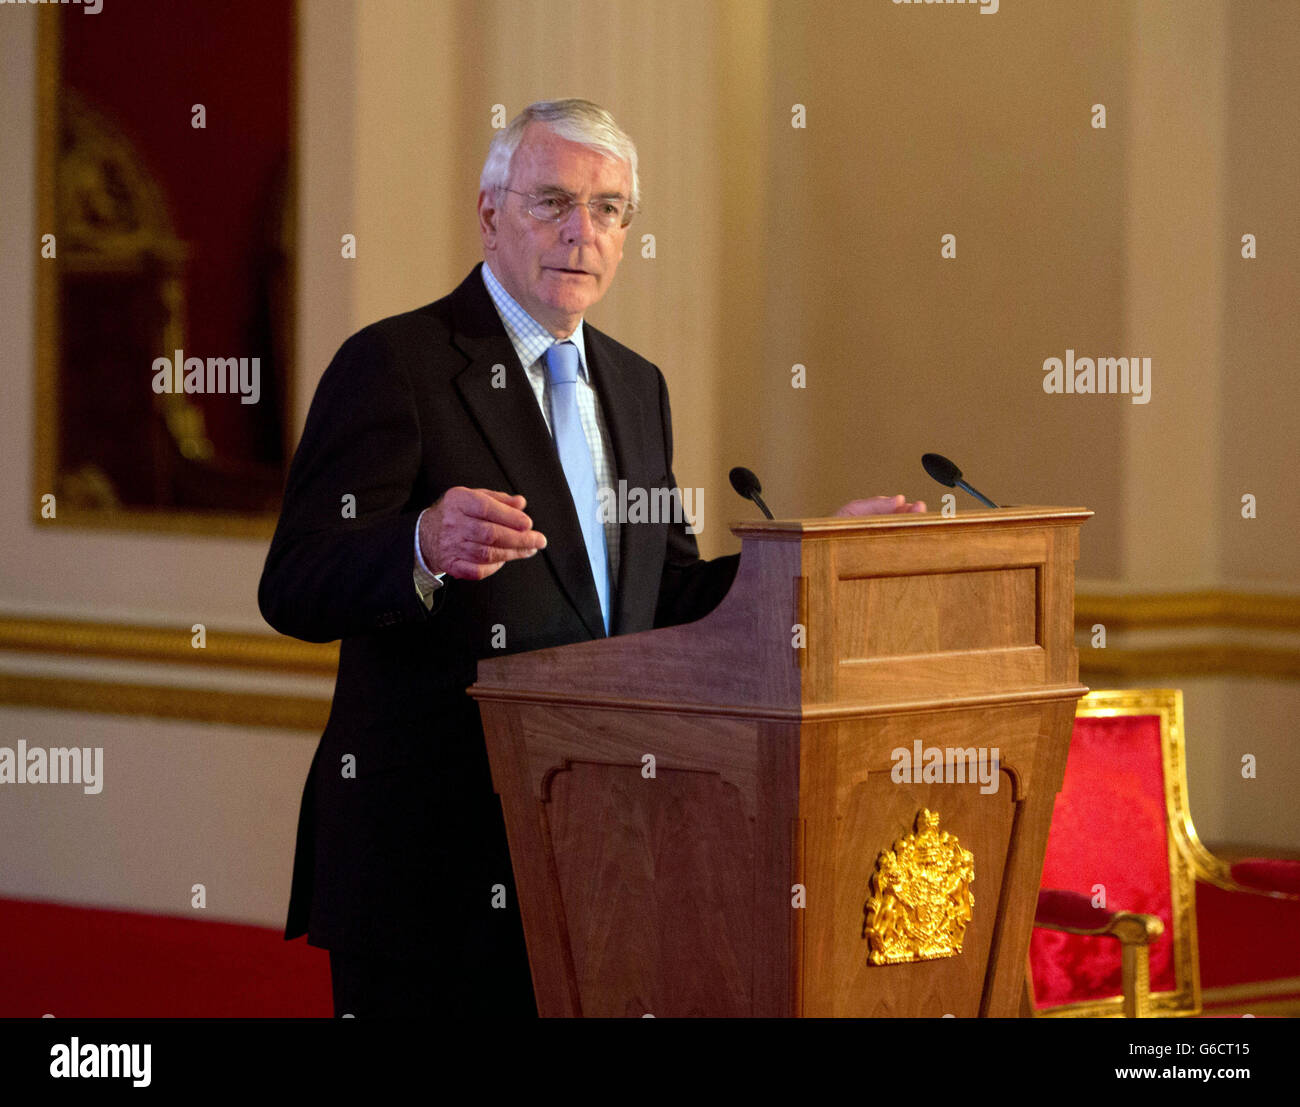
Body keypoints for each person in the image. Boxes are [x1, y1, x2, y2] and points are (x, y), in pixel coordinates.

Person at [258, 98, 925, 1017]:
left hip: (605, 848)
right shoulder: (397, 363)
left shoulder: (634, 384)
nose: (584, 232)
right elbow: (293, 583)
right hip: (433, 866)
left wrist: (816, 559)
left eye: (609, 209)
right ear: (490, 215)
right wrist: (419, 543)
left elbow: (669, 593)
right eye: (553, 202)